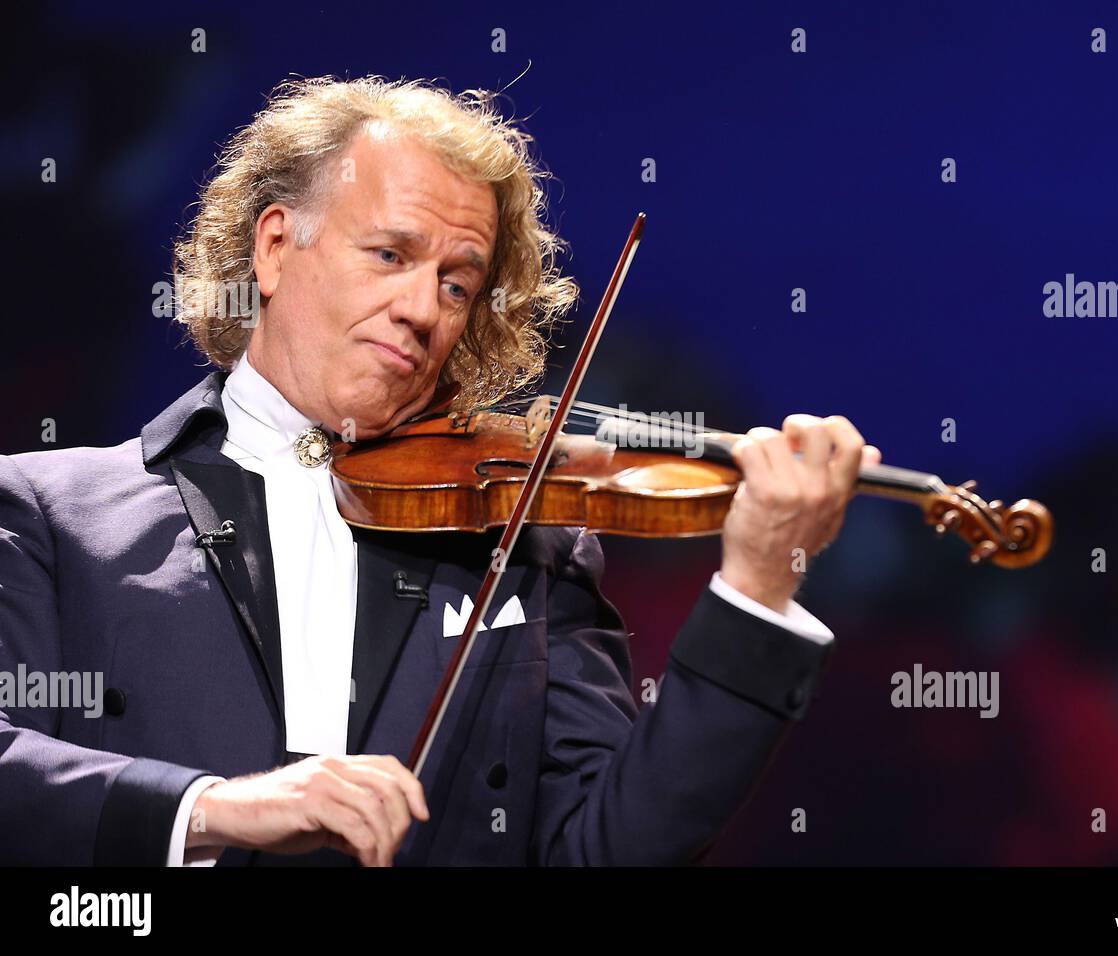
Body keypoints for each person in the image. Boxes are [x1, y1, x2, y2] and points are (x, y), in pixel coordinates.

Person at [0, 76, 878, 866]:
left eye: (458, 284)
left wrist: (759, 586)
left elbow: (613, 847)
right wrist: (210, 808)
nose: (422, 309)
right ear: (273, 248)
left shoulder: (525, 544)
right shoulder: (54, 512)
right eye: (390, 255)